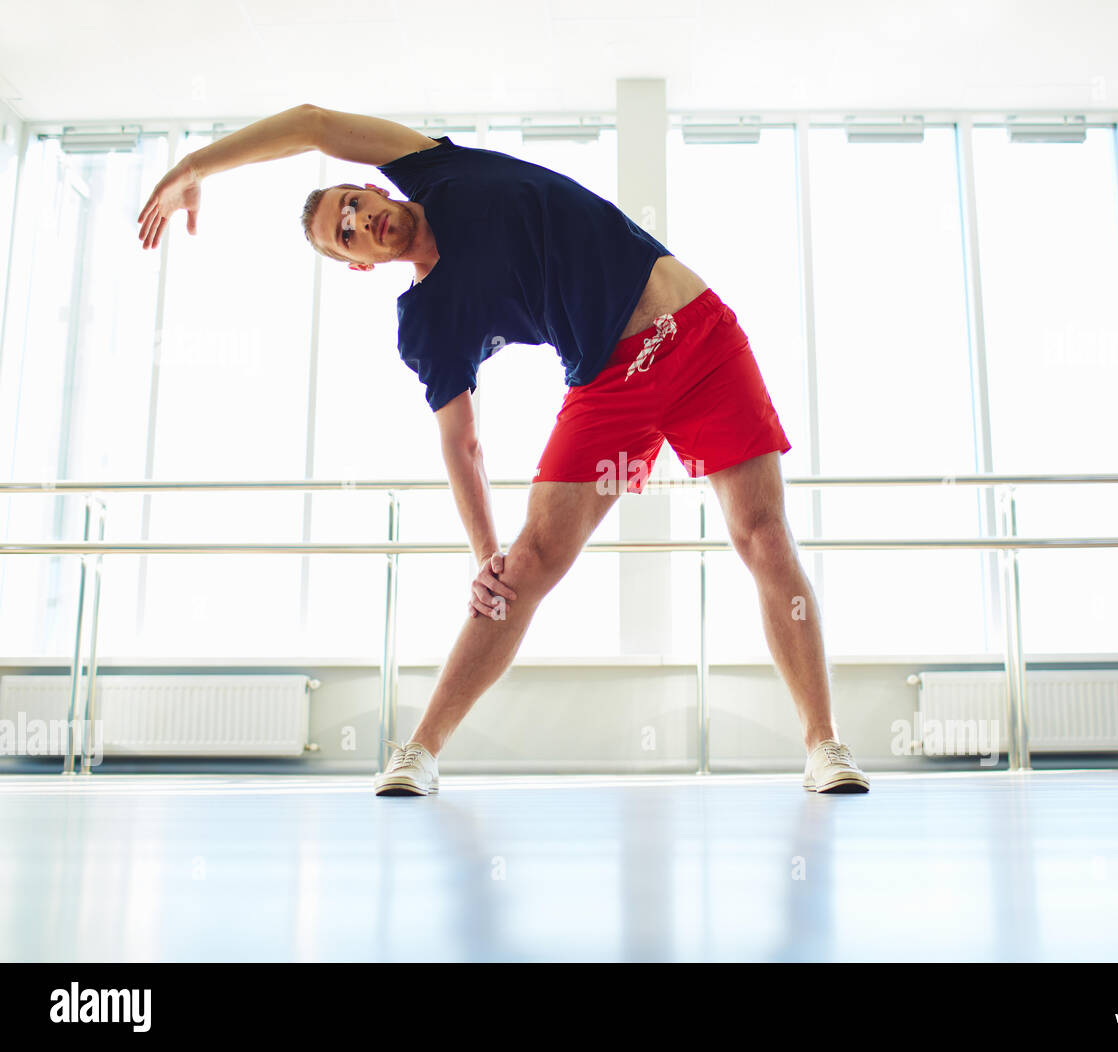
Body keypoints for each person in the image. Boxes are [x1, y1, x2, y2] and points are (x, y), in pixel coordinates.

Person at [137, 103, 870, 796]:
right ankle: (417, 753)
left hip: (696, 339)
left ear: (369, 184)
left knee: (763, 535)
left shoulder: (431, 167)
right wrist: (483, 553)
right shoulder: (427, 321)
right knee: (522, 570)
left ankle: (822, 744)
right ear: (358, 264)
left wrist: (196, 164)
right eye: (346, 235)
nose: (360, 221)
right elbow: (463, 444)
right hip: (608, 384)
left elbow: (312, 123)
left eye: (351, 206)